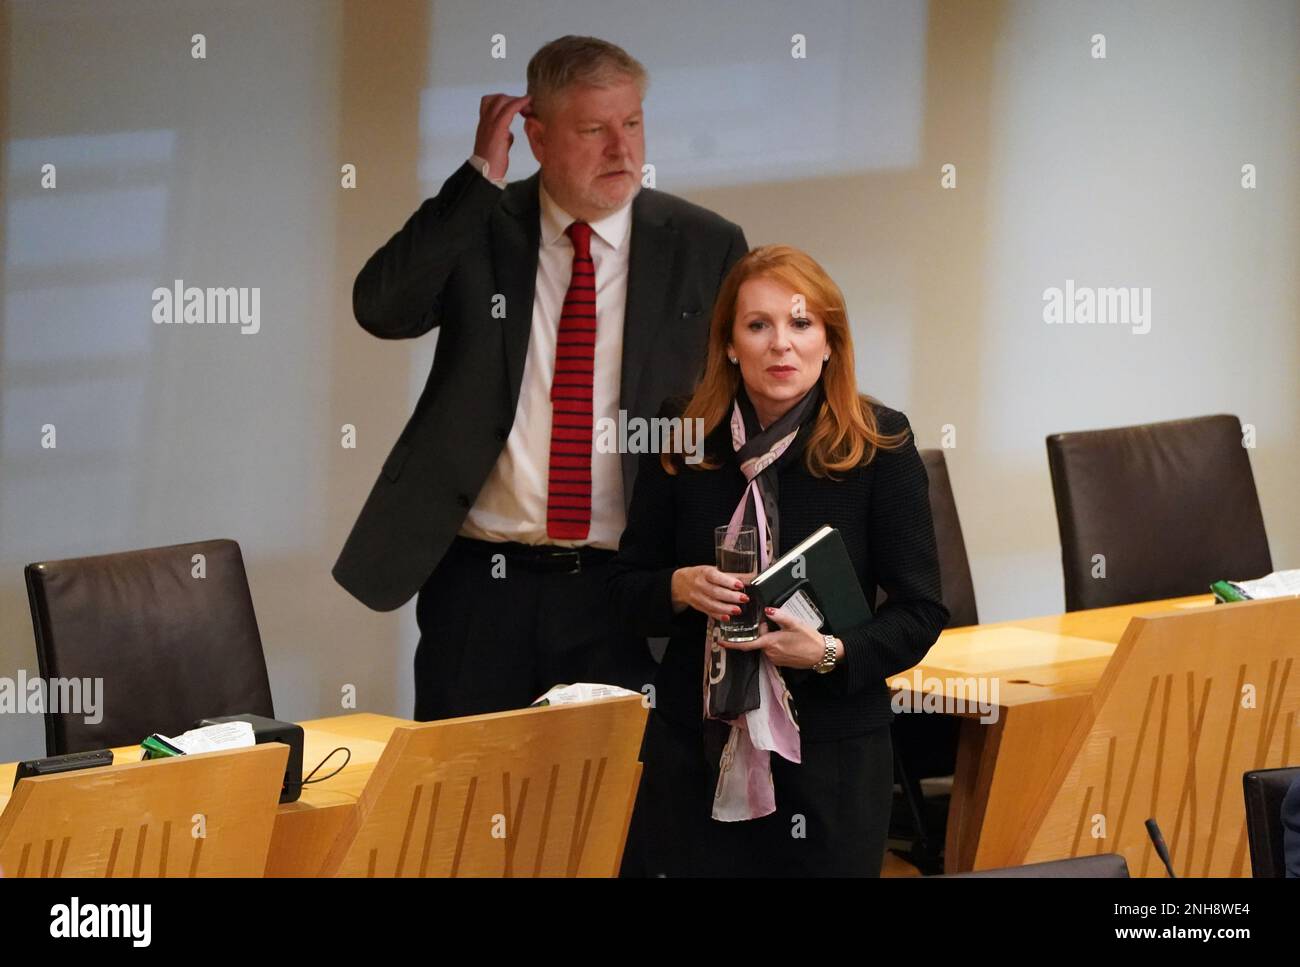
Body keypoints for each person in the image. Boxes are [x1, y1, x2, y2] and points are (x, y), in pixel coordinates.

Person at [333, 36, 748, 719]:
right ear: (535, 137)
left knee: (623, 812)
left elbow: (739, 401)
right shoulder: (482, 223)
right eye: (593, 130)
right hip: (480, 584)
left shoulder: (704, 243)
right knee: (463, 801)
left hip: (625, 588)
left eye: (633, 124)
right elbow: (382, 308)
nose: (622, 150)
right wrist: (475, 179)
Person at [608, 244, 949, 876]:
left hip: (832, 758)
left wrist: (827, 652)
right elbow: (625, 589)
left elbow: (921, 611)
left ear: (829, 343)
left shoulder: (879, 443)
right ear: (730, 344)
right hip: (697, 753)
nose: (780, 345)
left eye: (801, 324)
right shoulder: (684, 438)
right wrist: (678, 587)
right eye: (758, 325)